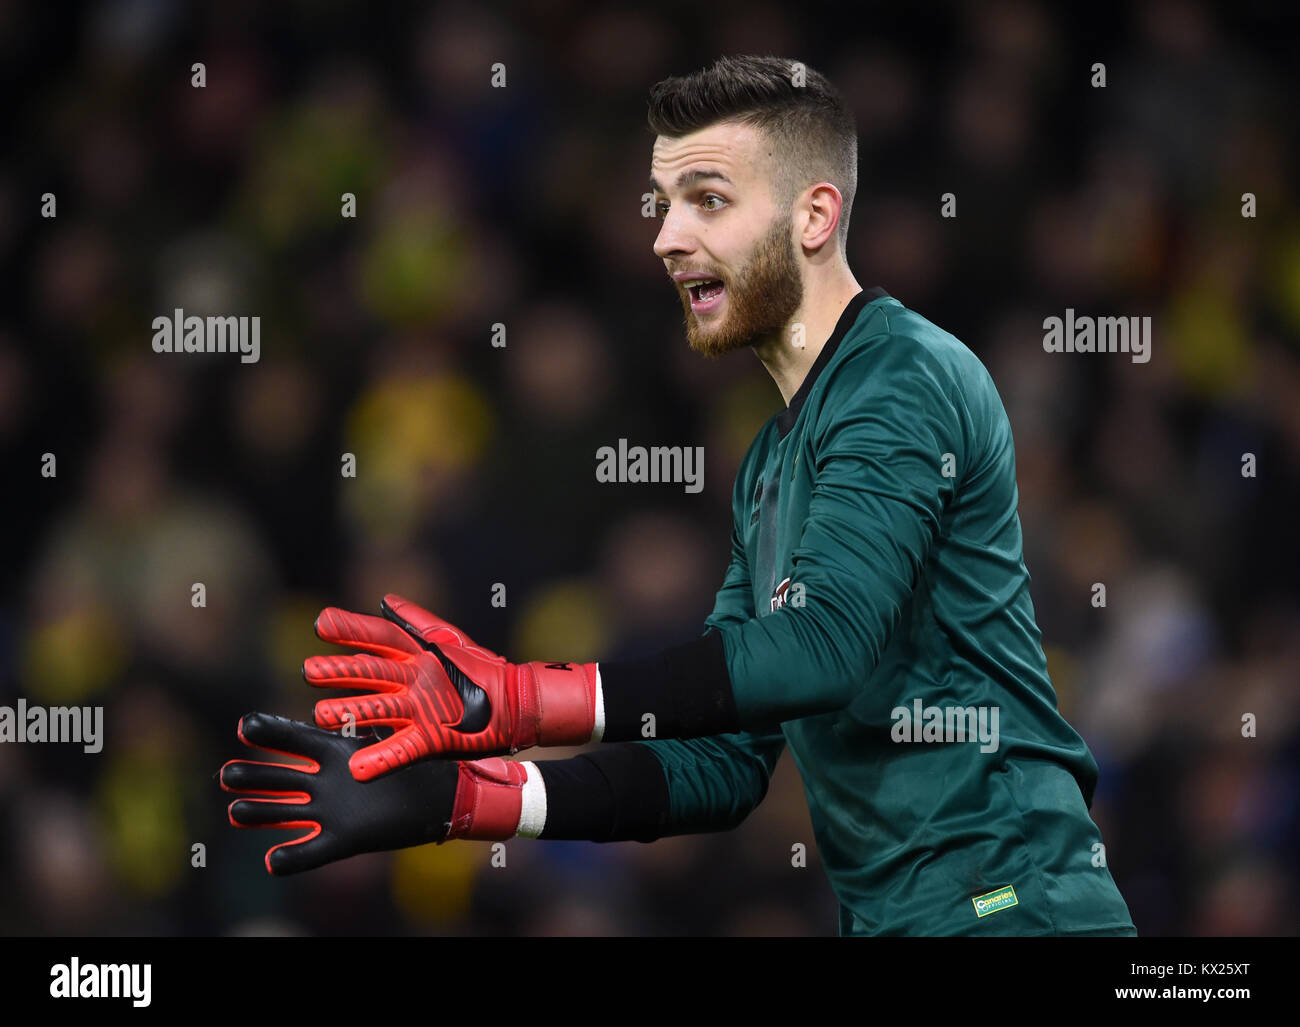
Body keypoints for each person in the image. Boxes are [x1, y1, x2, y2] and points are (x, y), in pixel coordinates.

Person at [223, 55, 1136, 937]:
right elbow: (726, 763)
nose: (666, 238)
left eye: (708, 201)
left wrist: (528, 697)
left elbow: (824, 649)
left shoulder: (904, 375)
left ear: (815, 216)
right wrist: (464, 797)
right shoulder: (770, 464)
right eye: (664, 207)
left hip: (1015, 907)